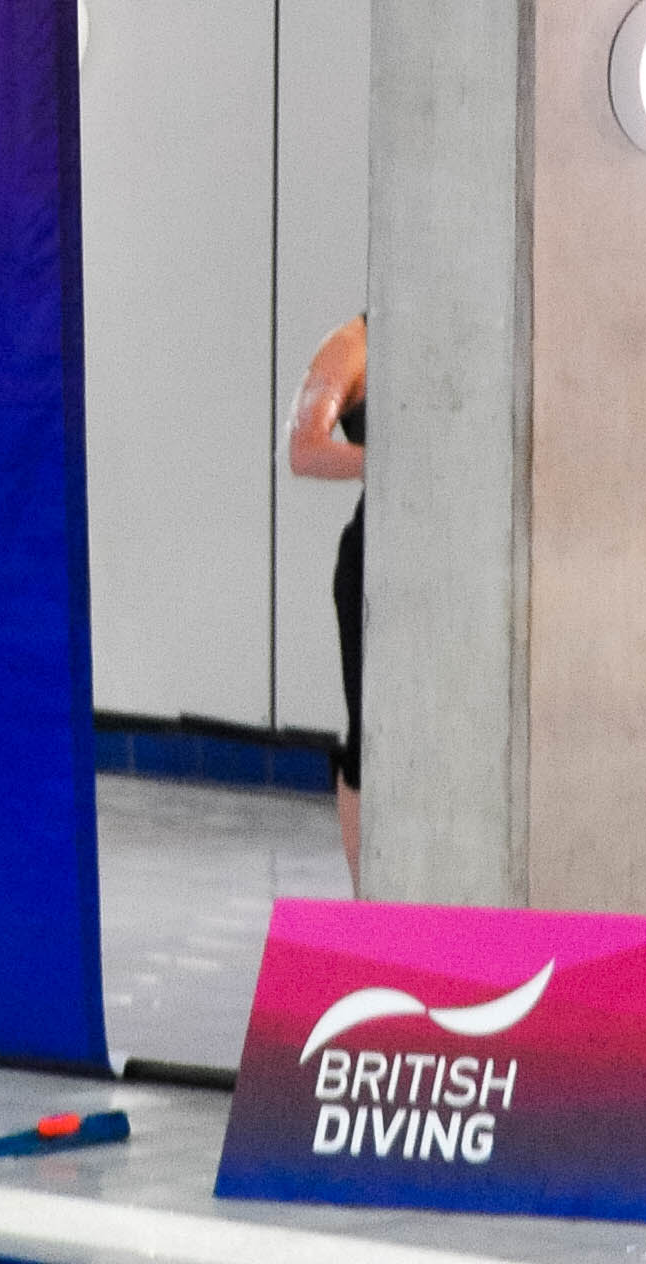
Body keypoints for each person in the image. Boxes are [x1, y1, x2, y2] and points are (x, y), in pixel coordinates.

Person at [287, 309, 369, 888]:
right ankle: (368, 900)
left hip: (451, 564)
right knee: (368, 734)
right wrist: (398, 461)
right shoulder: (350, 346)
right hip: (373, 563)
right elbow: (305, 449)